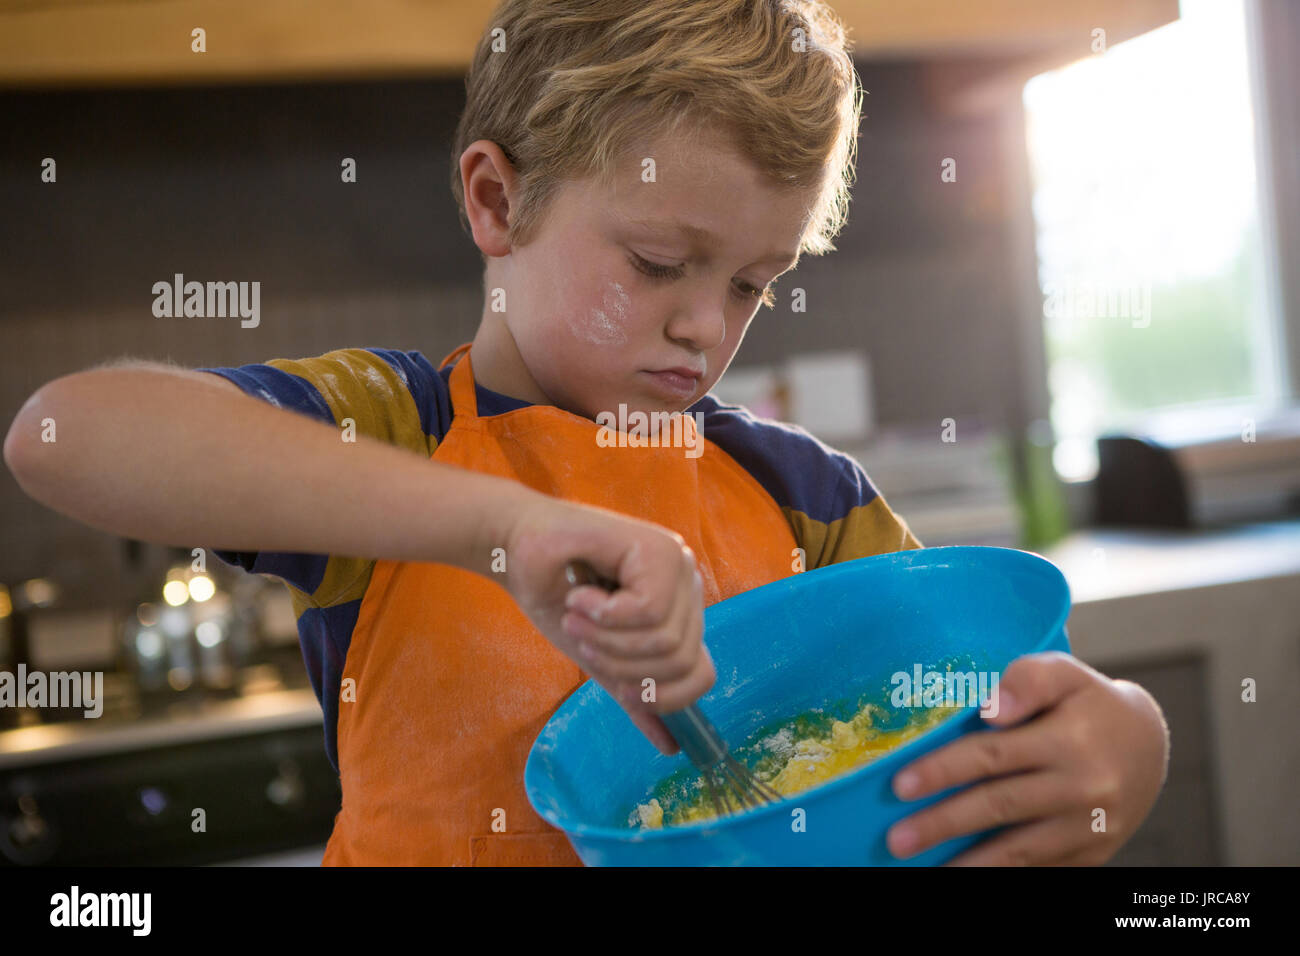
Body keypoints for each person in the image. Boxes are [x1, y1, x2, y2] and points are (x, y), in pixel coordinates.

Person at [3, 0, 1169, 866]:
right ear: (495, 202)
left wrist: (1127, 737)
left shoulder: (802, 494)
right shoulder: (397, 435)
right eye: (659, 264)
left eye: (754, 282)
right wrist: (503, 526)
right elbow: (62, 435)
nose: (704, 328)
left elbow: (984, 687)